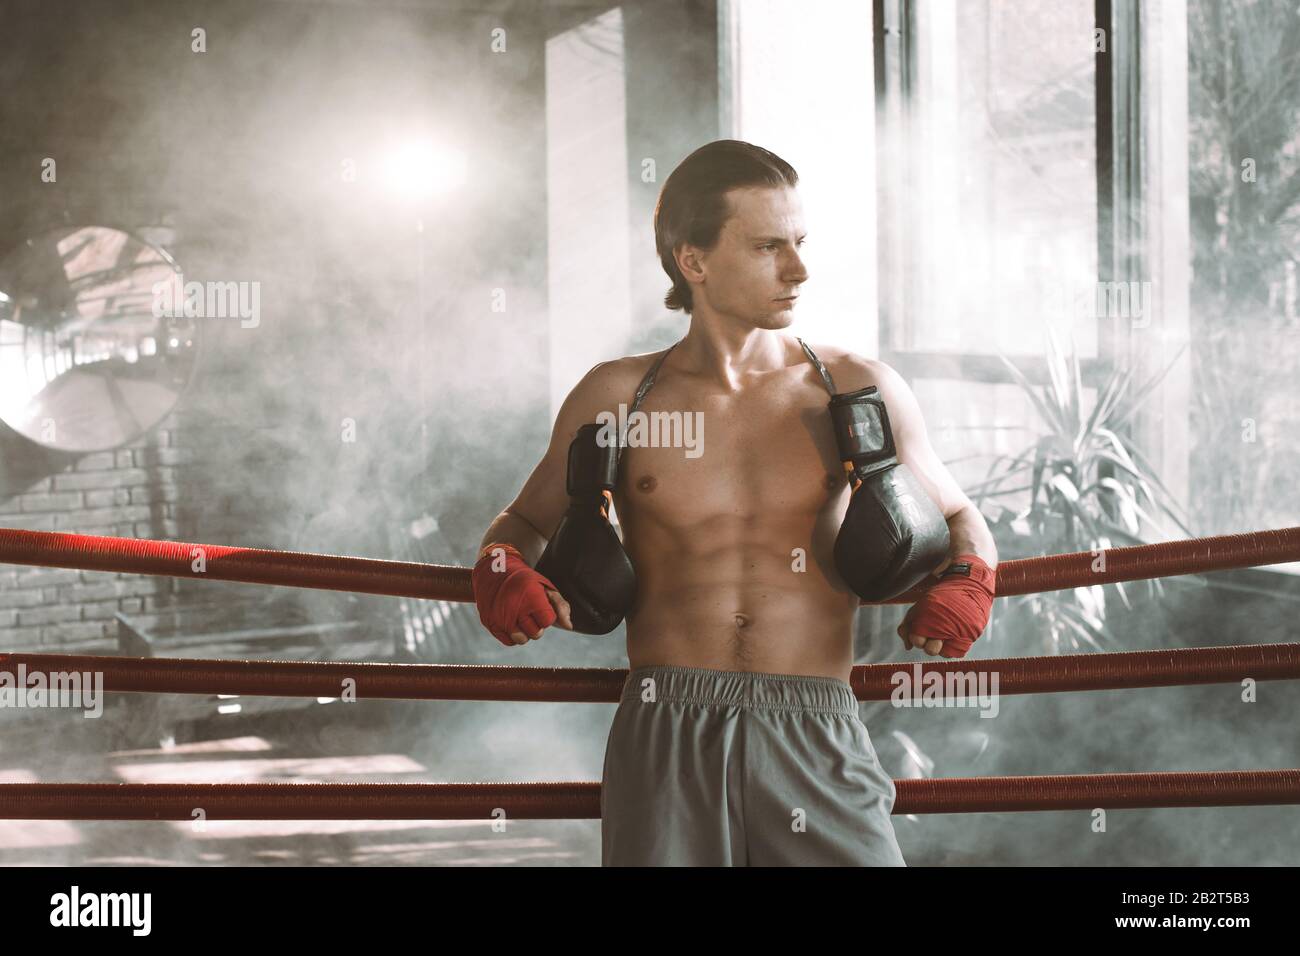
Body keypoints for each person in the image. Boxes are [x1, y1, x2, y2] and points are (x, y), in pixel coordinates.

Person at [472, 140, 997, 866]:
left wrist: (972, 581)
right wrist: (501, 571)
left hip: (813, 724)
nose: (799, 269)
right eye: (767, 247)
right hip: (665, 726)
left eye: (801, 243)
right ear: (694, 261)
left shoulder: (854, 387)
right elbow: (523, 521)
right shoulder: (619, 395)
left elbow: (962, 515)